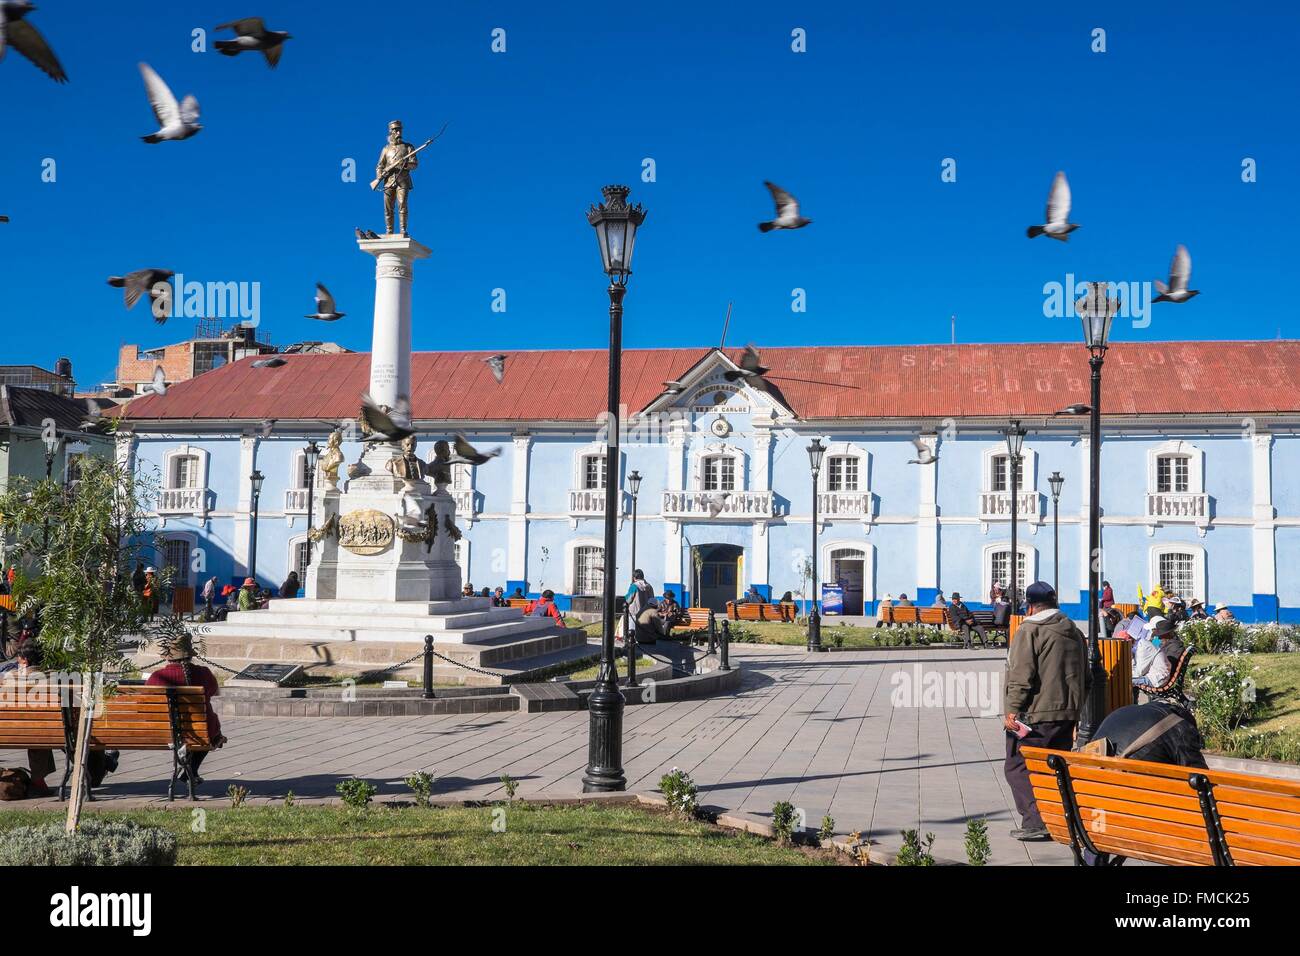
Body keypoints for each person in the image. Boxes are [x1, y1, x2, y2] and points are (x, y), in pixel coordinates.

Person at [1003, 581, 1089, 841]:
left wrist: (1012, 710)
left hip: (1036, 714)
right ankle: (1060, 817)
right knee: (1055, 766)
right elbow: (1086, 675)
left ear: (1030, 606)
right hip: (1067, 713)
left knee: (1017, 765)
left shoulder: (1030, 630)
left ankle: (1036, 821)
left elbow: (1021, 674)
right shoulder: (1073, 630)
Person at [146, 633, 226, 786]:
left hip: (163, 731)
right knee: (209, 727)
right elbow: (214, 692)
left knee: (181, 729)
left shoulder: (157, 677)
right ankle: (191, 768)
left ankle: (189, 768)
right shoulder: (203, 673)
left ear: (168, 656)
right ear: (190, 655)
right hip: (201, 731)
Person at [1091, 700, 1207, 768]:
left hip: (1091, 792)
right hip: (1139, 799)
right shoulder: (1181, 728)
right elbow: (1201, 778)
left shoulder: (1123, 710)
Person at [1132, 617, 1173, 690]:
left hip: (1157, 679)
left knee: (1125, 681)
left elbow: (1140, 671)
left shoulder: (1149, 645)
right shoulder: (1156, 644)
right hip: (1160, 676)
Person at [626, 570, 664, 645]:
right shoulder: (649, 586)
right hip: (647, 613)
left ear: (634, 577)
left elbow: (628, 599)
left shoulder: (634, 586)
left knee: (633, 631)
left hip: (635, 613)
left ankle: (632, 646)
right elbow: (652, 599)